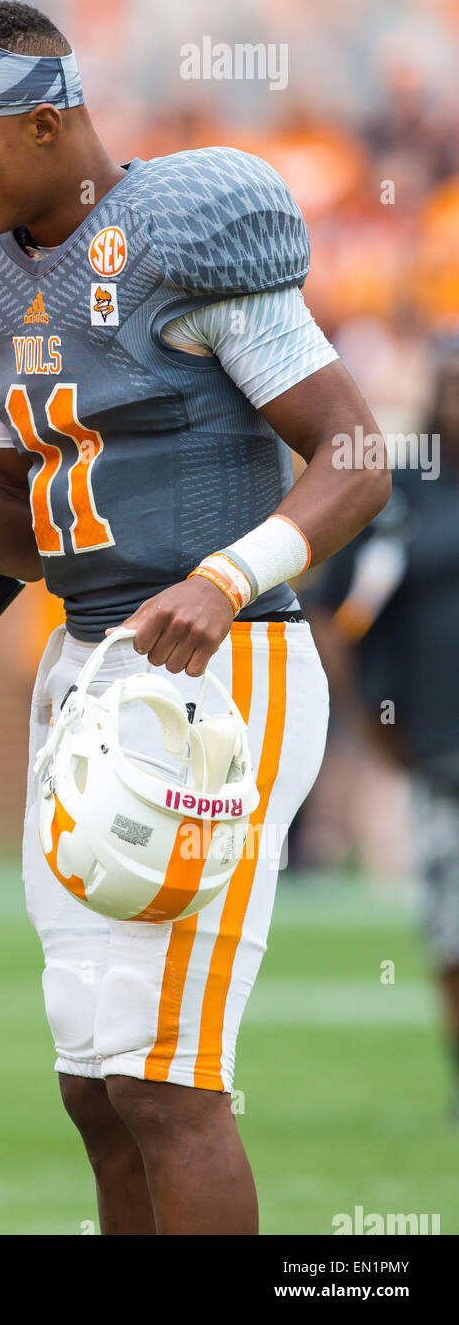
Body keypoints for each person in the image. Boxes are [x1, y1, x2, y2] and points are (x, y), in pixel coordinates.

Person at [0, 0, 390, 1234]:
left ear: (46, 123)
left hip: (226, 668)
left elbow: (357, 455)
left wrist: (224, 576)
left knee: (166, 1081)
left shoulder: (184, 227)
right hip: (87, 667)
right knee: (95, 1087)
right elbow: (26, 523)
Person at [305, 339, 459, 1122]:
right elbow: (337, 609)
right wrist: (367, 711)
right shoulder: (403, 493)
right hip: (436, 745)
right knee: (450, 924)